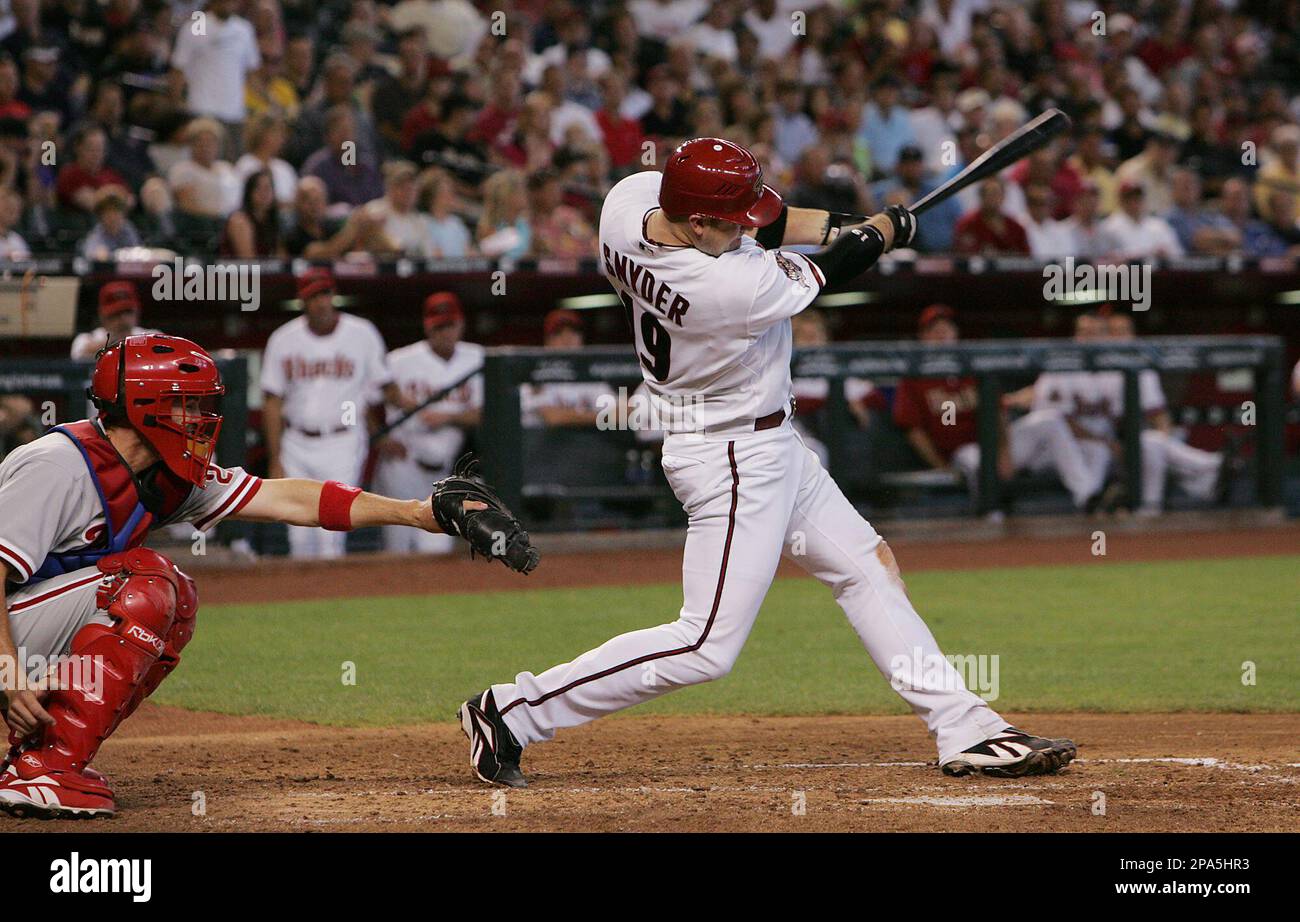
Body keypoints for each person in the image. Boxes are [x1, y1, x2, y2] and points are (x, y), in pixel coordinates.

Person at [457, 137, 1075, 788]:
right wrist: (879, 234)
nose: (743, 228)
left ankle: (967, 727)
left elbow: (777, 222)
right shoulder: (725, 287)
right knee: (705, 647)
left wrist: (871, 226)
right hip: (730, 455)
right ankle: (511, 712)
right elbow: (831, 272)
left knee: (866, 569)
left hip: (768, 443)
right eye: (728, 222)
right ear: (697, 223)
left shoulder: (629, 202)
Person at [0, 329, 530, 818]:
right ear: (146, 409)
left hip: (25, 635)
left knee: (177, 598)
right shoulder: (56, 464)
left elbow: (288, 499)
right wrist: (9, 673)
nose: (202, 419)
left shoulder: (163, 474)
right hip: (8, 650)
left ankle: (48, 755)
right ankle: (37, 772)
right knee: (145, 583)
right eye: (190, 406)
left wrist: (420, 513)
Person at [260, 268, 417, 559]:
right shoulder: (283, 339)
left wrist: (409, 401)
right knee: (298, 536)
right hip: (296, 440)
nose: (320, 302)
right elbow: (272, 401)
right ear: (302, 301)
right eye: (312, 297)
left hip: (343, 439)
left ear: (334, 295)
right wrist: (275, 457)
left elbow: (381, 389)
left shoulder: (362, 333)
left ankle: (329, 596)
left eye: (325, 294)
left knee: (331, 533)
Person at [373, 293, 484, 554]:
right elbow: (365, 399)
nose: (445, 332)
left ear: (461, 324)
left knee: (437, 548)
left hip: (446, 469)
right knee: (397, 545)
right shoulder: (399, 360)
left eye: (450, 325)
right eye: (439, 326)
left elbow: (488, 412)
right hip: (403, 463)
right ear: (427, 326)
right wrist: (379, 439)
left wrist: (448, 416)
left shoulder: (476, 357)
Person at [520, 309, 616, 428]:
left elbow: (618, 411)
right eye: (559, 333)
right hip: (539, 444)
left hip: (582, 445)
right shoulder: (534, 373)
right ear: (547, 341)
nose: (567, 339)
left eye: (574, 332)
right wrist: (602, 417)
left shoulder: (590, 375)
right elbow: (554, 418)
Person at [69, 281, 159, 360]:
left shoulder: (153, 335)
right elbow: (79, 352)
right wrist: (117, 341)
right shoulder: (87, 339)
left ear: (137, 312)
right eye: (116, 313)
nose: (123, 318)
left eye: (127, 311)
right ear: (103, 316)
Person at [219, 169, 284, 258]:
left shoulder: (272, 220)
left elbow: (281, 258)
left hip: (264, 269)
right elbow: (248, 261)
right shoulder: (239, 220)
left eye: (267, 188)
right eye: (258, 188)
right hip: (238, 270)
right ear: (249, 192)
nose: (264, 193)